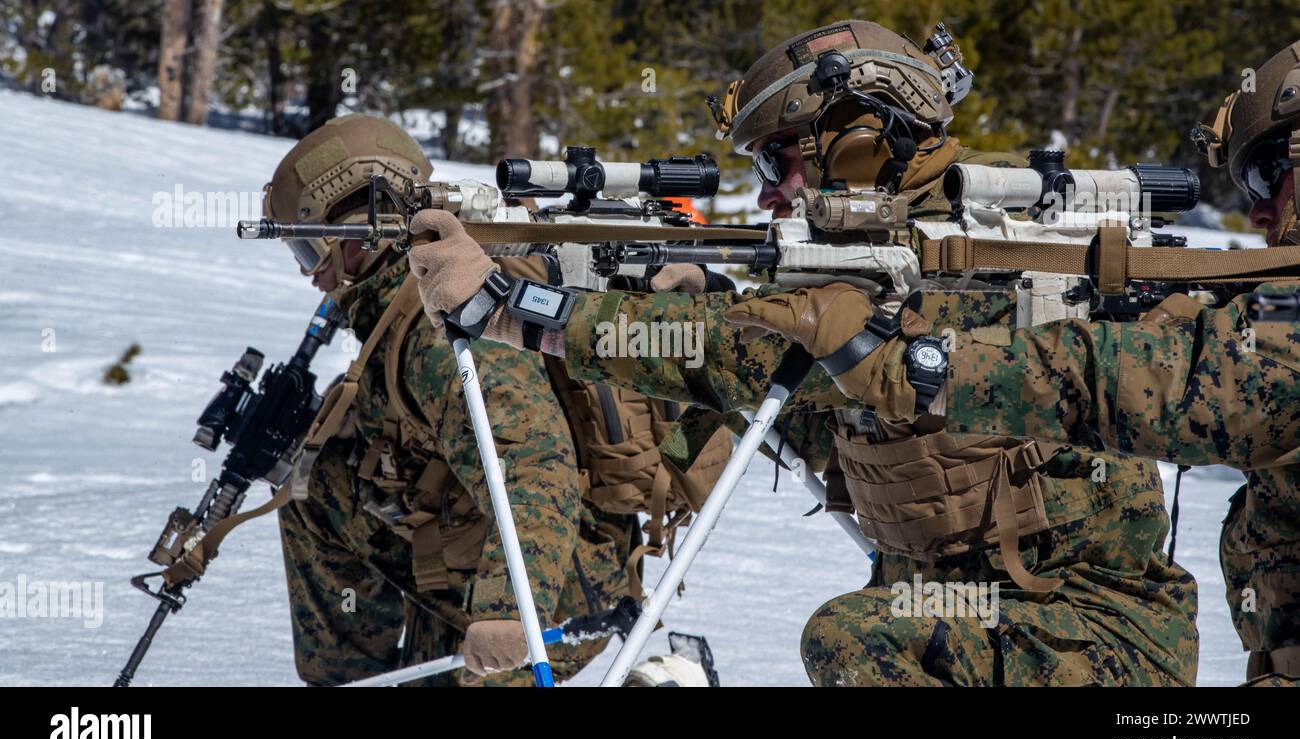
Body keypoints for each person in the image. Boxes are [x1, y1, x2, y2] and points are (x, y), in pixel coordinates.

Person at [408, 20, 1199, 686]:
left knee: (848, 635)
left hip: (1087, 631)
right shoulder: (886, 252)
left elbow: (721, 354)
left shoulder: (969, 259)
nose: (763, 195)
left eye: (774, 162)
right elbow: (756, 353)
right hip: (984, 617)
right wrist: (688, 283)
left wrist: (516, 311)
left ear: (855, 141)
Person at [267, 114, 712, 686]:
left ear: (364, 233)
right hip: (482, 547)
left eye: (312, 253)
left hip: (556, 589)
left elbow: (535, 462)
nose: (313, 280)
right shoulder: (404, 304)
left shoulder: (438, 325)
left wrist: (506, 614)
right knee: (314, 484)